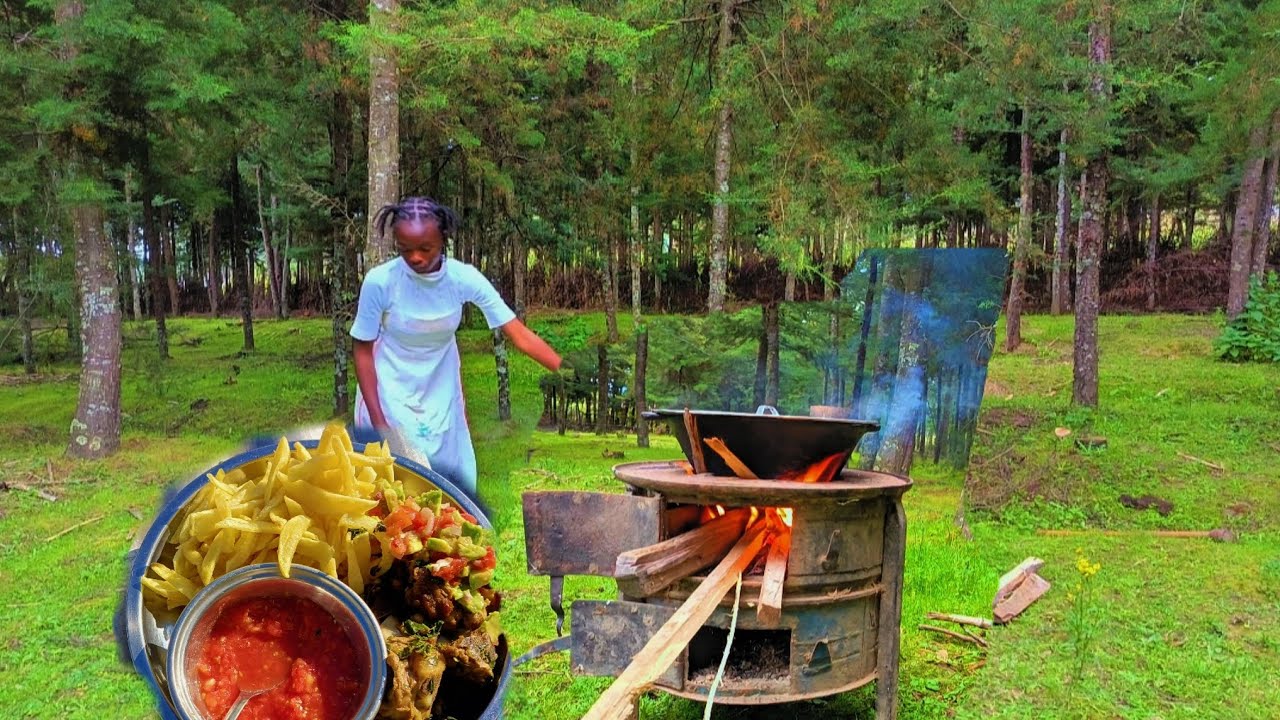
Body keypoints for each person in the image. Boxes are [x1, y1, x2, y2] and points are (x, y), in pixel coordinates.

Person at [350, 196, 562, 496]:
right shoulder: (380, 282)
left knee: (448, 488)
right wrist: (379, 423)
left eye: (426, 248)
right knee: (390, 489)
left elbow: (519, 335)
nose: (416, 258)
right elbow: (362, 351)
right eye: (405, 249)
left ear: (443, 240)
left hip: (440, 392)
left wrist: (567, 370)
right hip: (388, 391)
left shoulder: (462, 278)